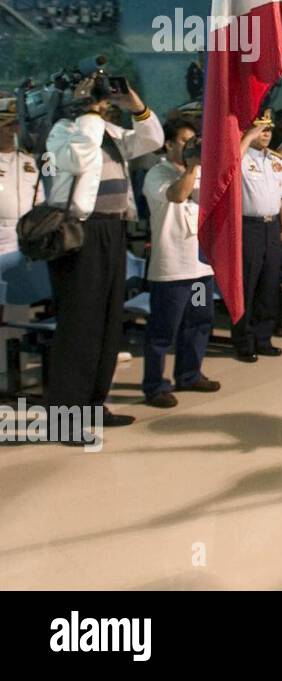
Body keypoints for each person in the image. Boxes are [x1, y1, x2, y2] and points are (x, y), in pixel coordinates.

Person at [45, 79, 162, 440]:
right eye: (99, 98)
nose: (105, 103)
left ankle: (94, 405)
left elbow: (152, 139)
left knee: (109, 323)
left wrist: (135, 104)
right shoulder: (62, 132)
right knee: (80, 327)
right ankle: (65, 419)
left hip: (113, 231)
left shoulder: (109, 130)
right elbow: (79, 157)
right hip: (79, 233)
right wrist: (89, 113)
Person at [140, 119, 220, 407]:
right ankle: (155, 385)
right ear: (169, 143)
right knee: (164, 329)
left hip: (199, 267)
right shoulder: (156, 174)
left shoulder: (199, 172)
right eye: (185, 141)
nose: (191, 146)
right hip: (172, 268)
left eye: (194, 141)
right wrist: (192, 167)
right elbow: (177, 195)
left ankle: (190, 373)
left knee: (199, 321)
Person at [231, 109, 282, 363]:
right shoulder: (242, 157)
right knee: (247, 286)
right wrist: (246, 138)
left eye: (268, 129)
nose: (266, 133)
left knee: (269, 285)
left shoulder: (276, 161)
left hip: (272, 228)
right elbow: (229, 163)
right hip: (249, 227)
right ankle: (244, 341)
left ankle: (263, 338)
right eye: (260, 128)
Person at [0, 96, 42, 255]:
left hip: (26, 237)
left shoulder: (30, 161)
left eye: (16, 124)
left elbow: (42, 197)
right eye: (7, 125)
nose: (13, 131)